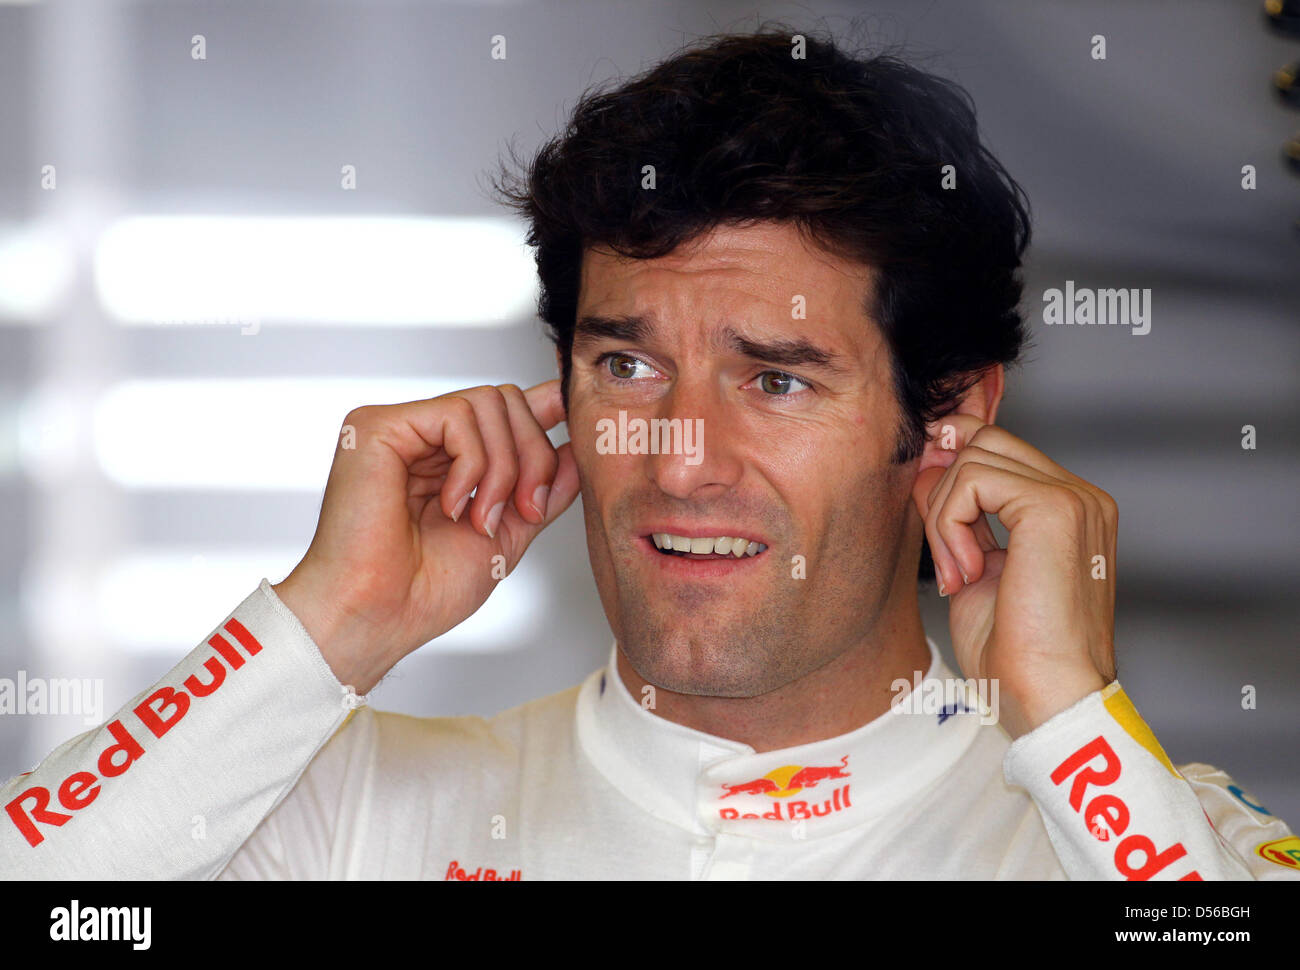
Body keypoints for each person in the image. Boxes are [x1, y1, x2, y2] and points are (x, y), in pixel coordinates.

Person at [4, 26, 1296, 881]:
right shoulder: (347, 815)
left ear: (945, 419)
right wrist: (321, 625)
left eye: (776, 379)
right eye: (627, 365)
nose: (683, 460)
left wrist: (1069, 720)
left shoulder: (1144, 831)